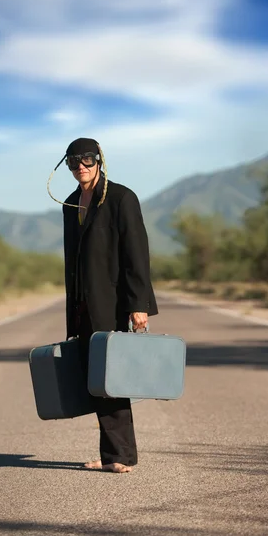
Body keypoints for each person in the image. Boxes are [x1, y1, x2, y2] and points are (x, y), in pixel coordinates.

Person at [49, 137, 158, 473]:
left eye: (87, 160)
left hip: (111, 304)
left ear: (99, 161)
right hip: (82, 305)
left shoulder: (121, 198)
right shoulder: (70, 203)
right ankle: (113, 454)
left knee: (111, 379)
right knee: (96, 380)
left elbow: (136, 255)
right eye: (74, 161)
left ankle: (120, 456)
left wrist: (138, 304)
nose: (80, 166)